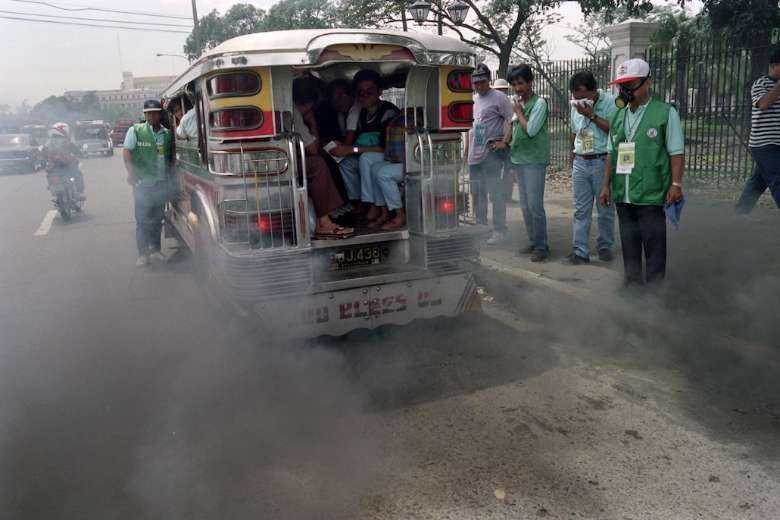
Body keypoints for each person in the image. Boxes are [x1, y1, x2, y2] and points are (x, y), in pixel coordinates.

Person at [598, 58, 685, 286]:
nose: (625, 90)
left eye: (630, 84)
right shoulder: (617, 116)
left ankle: (656, 292)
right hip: (623, 192)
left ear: (648, 83)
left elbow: (676, 152)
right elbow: (610, 152)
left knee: (654, 245)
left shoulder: (665, 113)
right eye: (621, 86)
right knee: (629, 242)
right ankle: (632, 286)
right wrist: (606, 185)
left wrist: (676, 185)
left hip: (651, 193)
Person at [331, 70, 399, 227]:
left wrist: (352, 150)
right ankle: (361, 202)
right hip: (371, 155)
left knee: (366, 159)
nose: (365, 96)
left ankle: (375, 206)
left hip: (390, 157)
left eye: (370, 92)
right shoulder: (362, 115)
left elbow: (385, 148)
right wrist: (344, 147)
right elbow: (359, 142)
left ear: (380, 92)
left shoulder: (388, 112)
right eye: (361, 93)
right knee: (347, 163)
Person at [567, 70, 618, 265]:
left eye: (582, 97)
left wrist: (592, 115)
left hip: (602, 160)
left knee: (604, 207)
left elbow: (615, 131)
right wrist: (572, 156)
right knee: (580, 209)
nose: (578, 102)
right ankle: (580, 251)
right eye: (575, 98)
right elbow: (574, 131)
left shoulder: (611, 103)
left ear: (593, 90)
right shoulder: (575, 106)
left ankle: (605, 246)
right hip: (581, 160)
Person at [292, 78, 353, 239]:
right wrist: (312, 123)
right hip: (286, 163)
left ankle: (335, 212)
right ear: (309, 104)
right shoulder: (294, 113)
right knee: (318, 163)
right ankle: (324, 222)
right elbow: (313, 149)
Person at [505, 64, 550, 262]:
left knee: (535, 205)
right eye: (514, 84)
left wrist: (519, 112)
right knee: (524, 205)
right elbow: (514, 130)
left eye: (521, 83)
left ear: (530, 82)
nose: (518, 88)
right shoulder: (518, 103)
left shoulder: (539, 103)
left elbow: (530, 130)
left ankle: (542, 246)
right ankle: (533, 240)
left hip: (534, 161)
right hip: (519, 160)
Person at [123, 100, 173, 267]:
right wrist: (131, 173)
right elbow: (127, 152)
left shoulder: (167, 134)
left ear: (160, 114)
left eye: (155, 113)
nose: (152, 116)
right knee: (143, 220)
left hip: (160, 183)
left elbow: (170, 158)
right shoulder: (135, 130)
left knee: (157, 219)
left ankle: (156, 250)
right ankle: (143, 254)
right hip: (142, 184)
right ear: (144, 115)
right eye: (148, 113)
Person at [468, 63, 513, 245]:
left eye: (482, 82)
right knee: (478, 194)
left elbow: (511, 121)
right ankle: (481, 228)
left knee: (495, 193)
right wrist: (465, 153)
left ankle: (499, 230)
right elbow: (469, 129)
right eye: (475, 83)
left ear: (489, 80)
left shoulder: (499, 98)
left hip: (491, 153)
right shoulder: (472, 99)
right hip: (474, 154)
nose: (479, 86)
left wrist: (505, 142)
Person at [735, 45, 780, 213]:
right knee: (777, 179)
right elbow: (764, 104)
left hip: (777, 144)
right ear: (774, 65)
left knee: (758, 182)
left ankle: (740, 214)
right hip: (764, 144)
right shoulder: (761, 83)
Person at [366, 114, 407, 230]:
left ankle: (400, 215)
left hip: (416, 163)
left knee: (383, 174)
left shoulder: (418, 119)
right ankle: (384, 213)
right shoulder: (398, 119)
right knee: (375, 168)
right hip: (400, 161)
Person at [45, 122, 85, 198]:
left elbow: (43, 151)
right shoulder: (67, 142)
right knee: (78, 174)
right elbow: (77, 151)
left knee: (49, 174)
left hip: (55, 167)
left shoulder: (49, 142)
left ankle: (53, 188)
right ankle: (80, 192)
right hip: (66, 166)